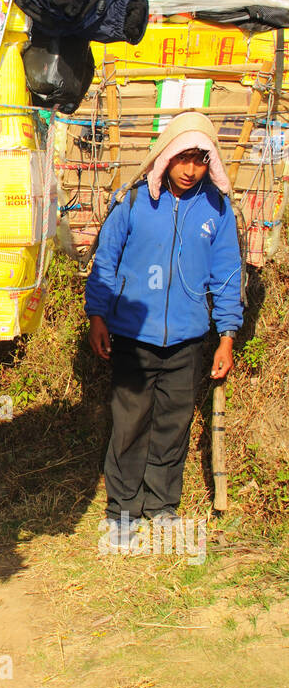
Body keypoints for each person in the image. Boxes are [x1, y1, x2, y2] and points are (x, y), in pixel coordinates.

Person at [84, 111, 243, 542]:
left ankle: (161, 505)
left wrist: (226, 336)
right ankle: (122, 510)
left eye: (201, 160)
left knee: (173, 425)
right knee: (130, 423)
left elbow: (228, 273)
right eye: (183, 158)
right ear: (167, 155)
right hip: (134, 339)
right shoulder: (134, 203)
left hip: (189, 341)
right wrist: (98, 316)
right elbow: (105, 262)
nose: (191, 170)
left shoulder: (217, 209)